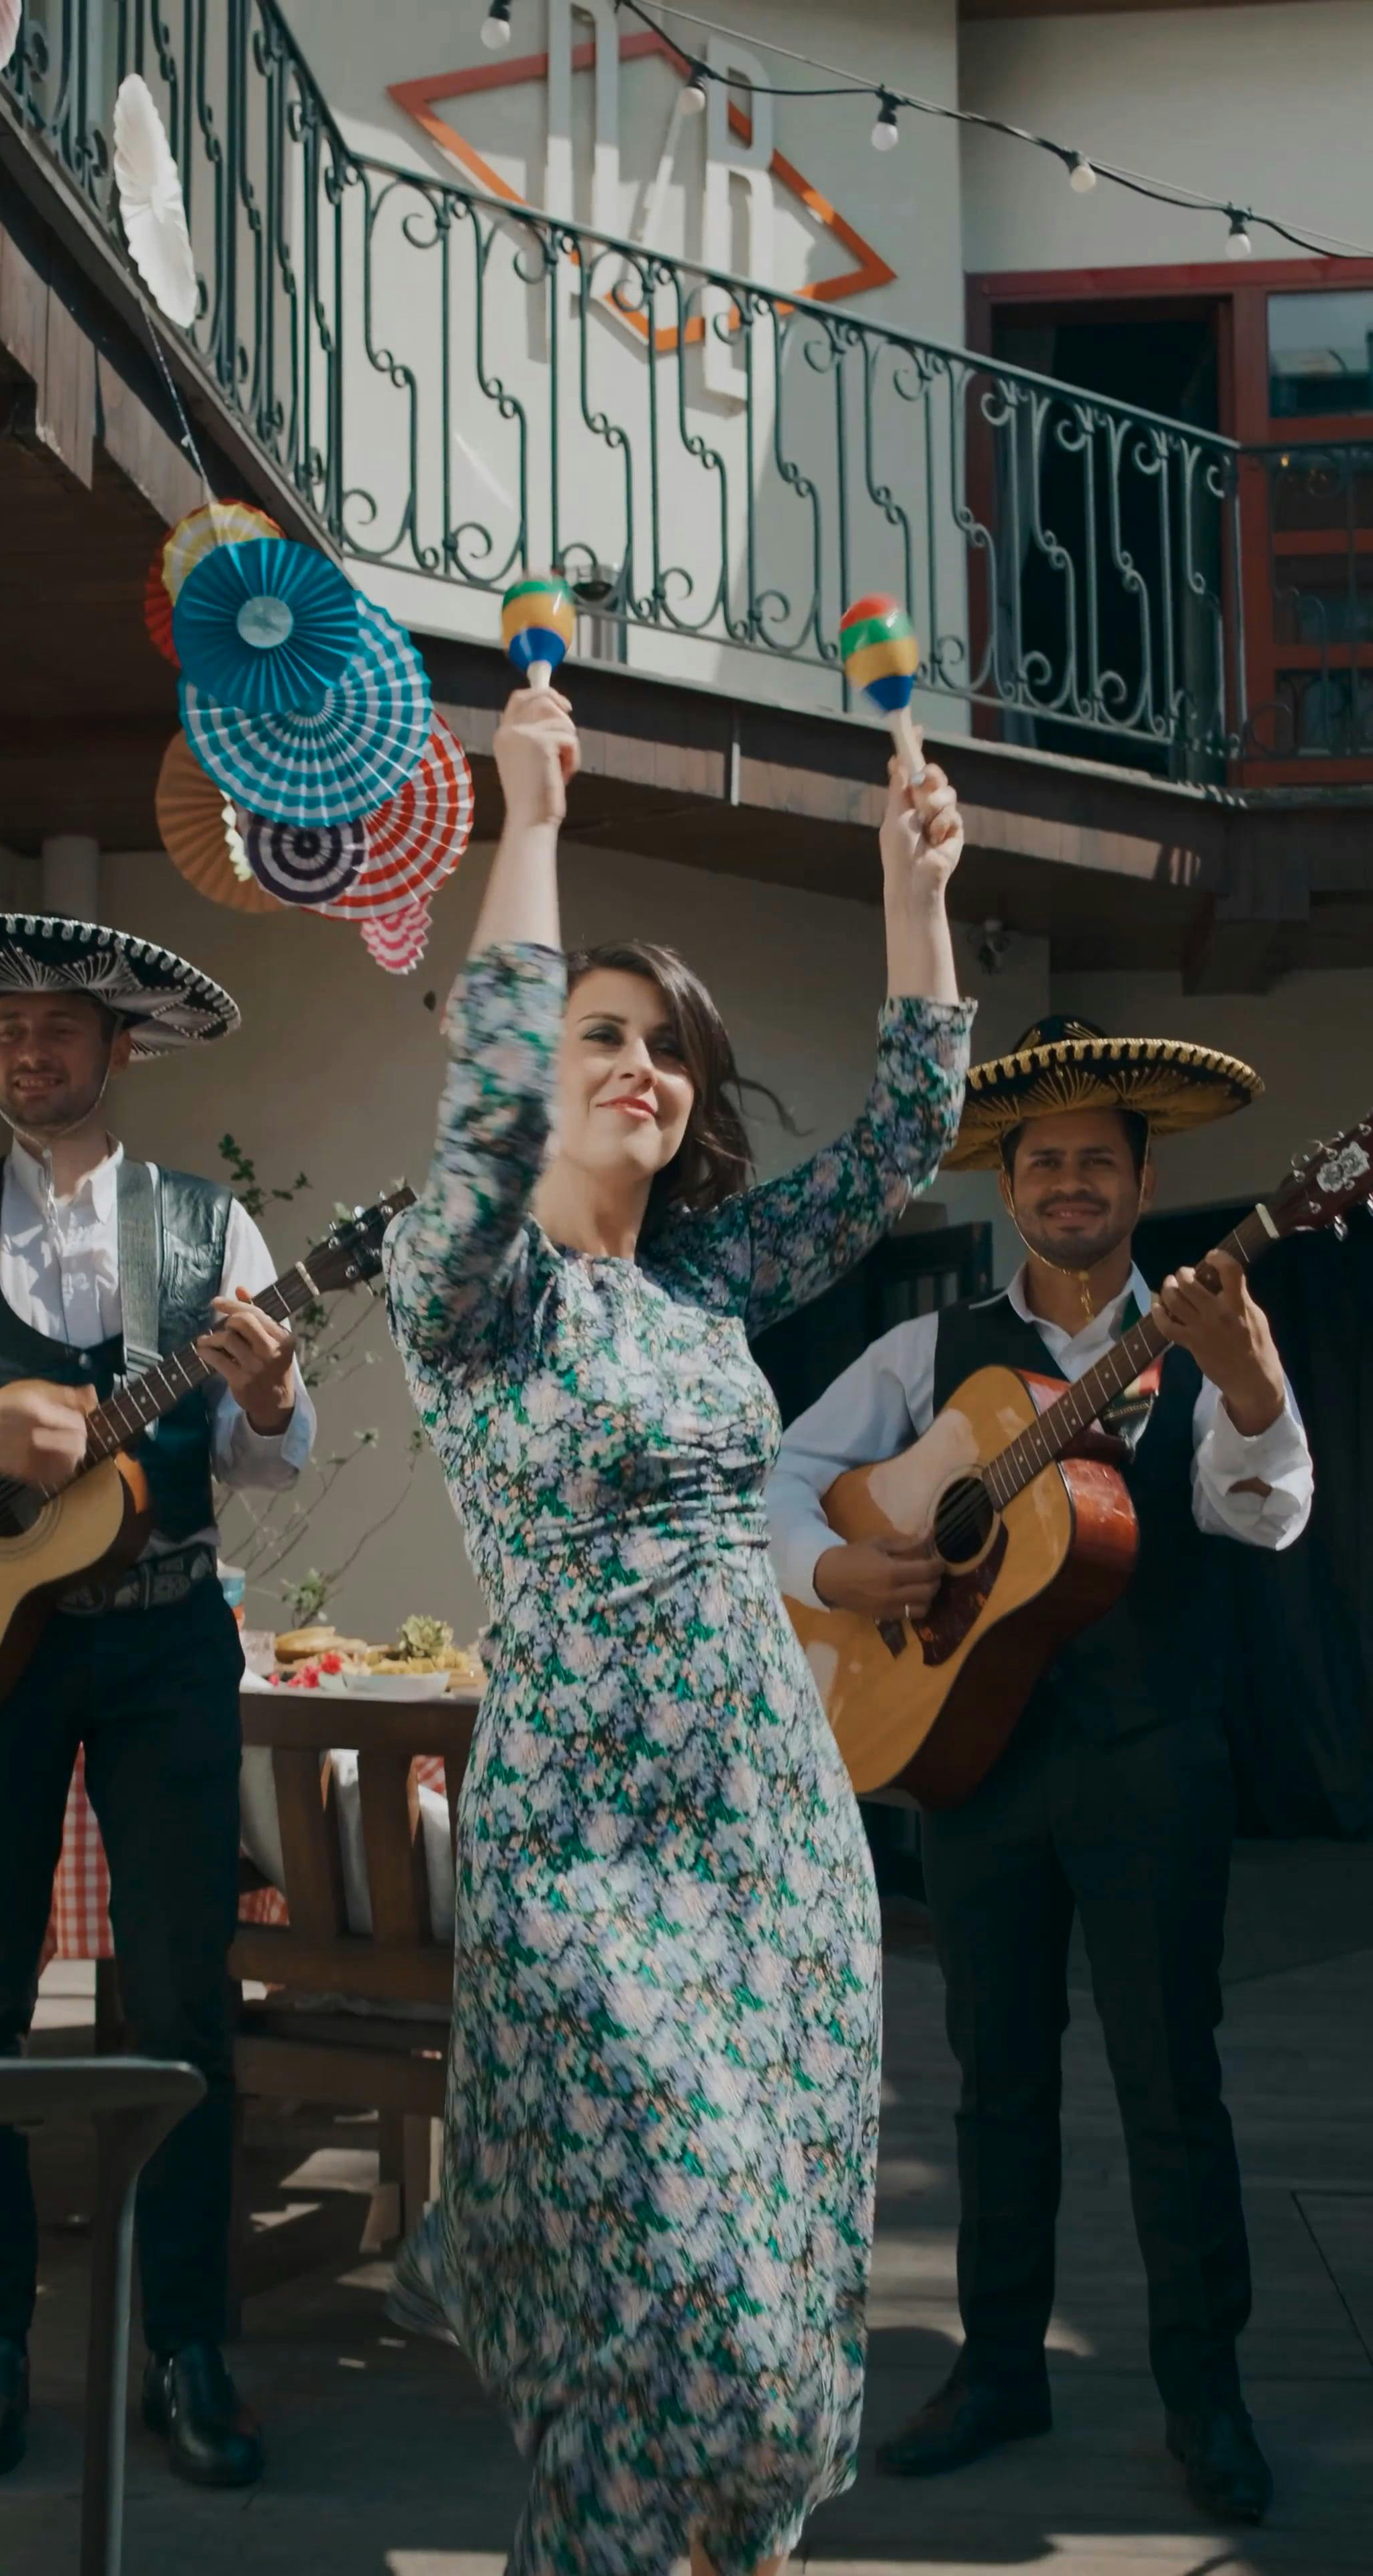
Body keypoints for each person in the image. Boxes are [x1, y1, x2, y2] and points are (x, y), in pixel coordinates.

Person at [382, 684, 972, 2575]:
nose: (641, 1064)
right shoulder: (468, 1289)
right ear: (550, 1068)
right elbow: (479, 1112)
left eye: (671, 1050)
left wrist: (910, 885)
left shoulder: (711, 1279)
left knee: (787, 2310)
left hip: (778, 1842)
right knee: (675, 2293)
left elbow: (905, 1137)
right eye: (603, 1035)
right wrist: (528, 821)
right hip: (586, 1858)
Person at [766, 1015, 1315, 2528]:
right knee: (997, 2083)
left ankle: (1207, 2398)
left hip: (1152, 1759)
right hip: (974, 1763)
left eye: (1099, 1161)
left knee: (1169, 2084)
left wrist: (1254, 1390)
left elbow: (1264, 1519)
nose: (1071, 1182)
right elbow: (780, 1474)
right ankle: (1002, 2368)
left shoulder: (1202, 1330)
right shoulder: (924, 1352)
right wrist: (842, 1567)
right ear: (1012, 1187)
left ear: (1143, 1185)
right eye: (1044, 1161)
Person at [0, 913, 316, 2489]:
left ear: (118, 1049)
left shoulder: (204, 1226)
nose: (28, 1049)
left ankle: (185, 2342)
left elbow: (260, 1460)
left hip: (163, 1651)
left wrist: (278, 1398)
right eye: (5, 1028)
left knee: (185, 2000)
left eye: (59, 1027)